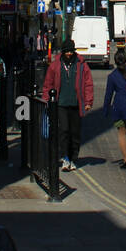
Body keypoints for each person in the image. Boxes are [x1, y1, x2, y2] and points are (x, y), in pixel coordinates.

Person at [42, 36, 94, 171]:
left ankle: (73, 158)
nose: (69, 54)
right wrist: (46, 100)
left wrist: (88, 101)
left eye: (71, 51)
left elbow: (88, 83)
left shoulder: (81, 64)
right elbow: (48, 84)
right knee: (64, 130)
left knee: (75, 133)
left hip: (76, 104)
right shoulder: (55, 65)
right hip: (61, 104)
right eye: (67, 52)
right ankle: (65, 157)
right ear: (63, 52)